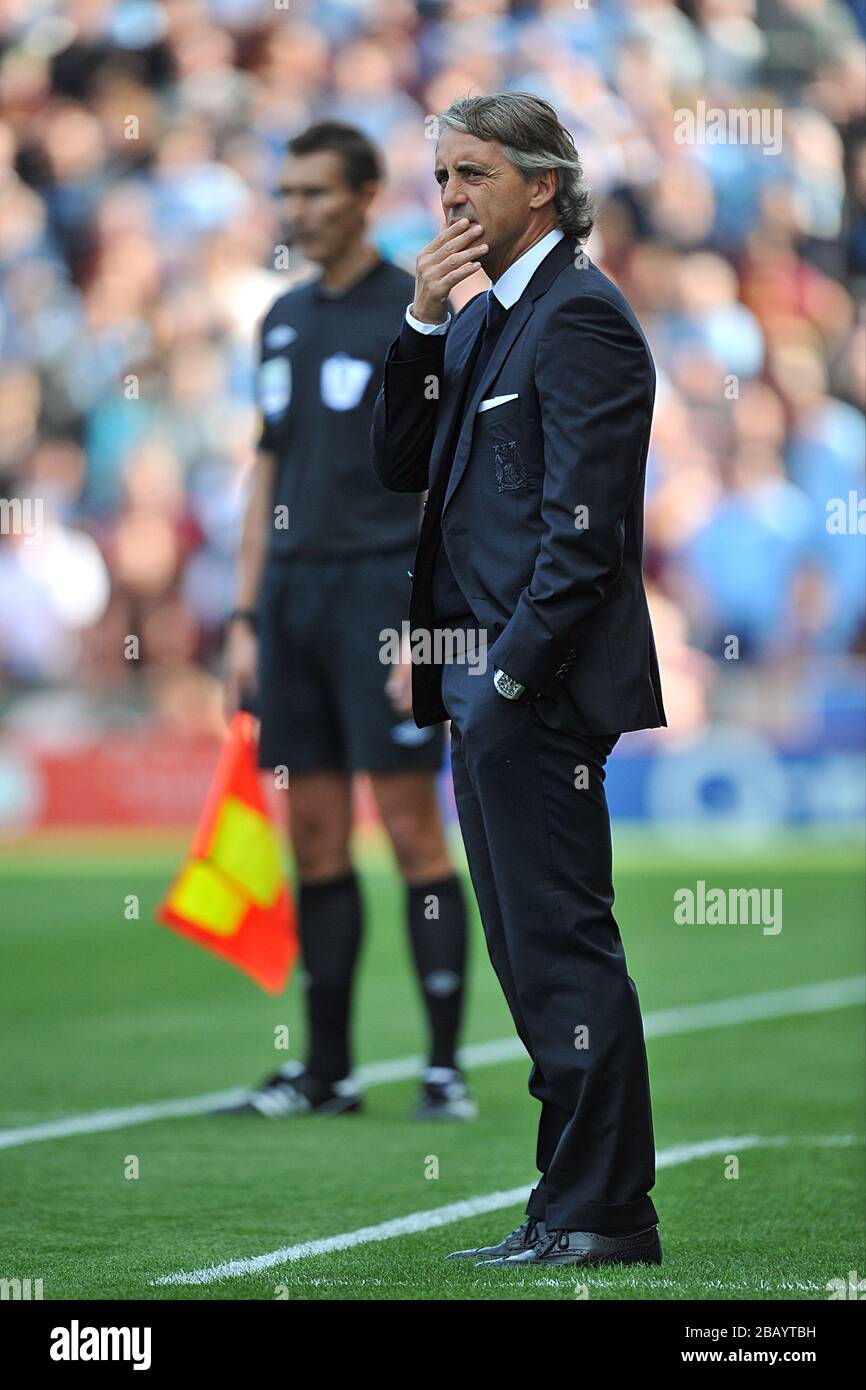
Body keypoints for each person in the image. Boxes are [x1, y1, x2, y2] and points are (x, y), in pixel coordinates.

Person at [371, 91, 666, 1267]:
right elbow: (401, 465)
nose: (447, 197)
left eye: (471, 174)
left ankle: (603, 1211)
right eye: (441, 176)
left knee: (559, 949)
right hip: (476, 689)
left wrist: (505, 679)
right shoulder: (491, 315)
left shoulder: (579, 319)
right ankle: (567, 1204)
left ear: (542, 185)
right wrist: (419, 317)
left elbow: (581, 536)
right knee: (525, 955)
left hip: (526, 691)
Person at [220, 121, 475, 1122]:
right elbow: (267, 469)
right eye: (286, 194)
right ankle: (325, 1071)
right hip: (290, 599)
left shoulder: (411, 312)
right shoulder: (279, 318)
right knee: (313, 837)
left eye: (317, 193)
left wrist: (424, 619)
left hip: (380, 594)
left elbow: (440, 479)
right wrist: (243, 612)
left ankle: (442, 1065)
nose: (298, 211)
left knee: (411, 826)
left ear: (367, 194)